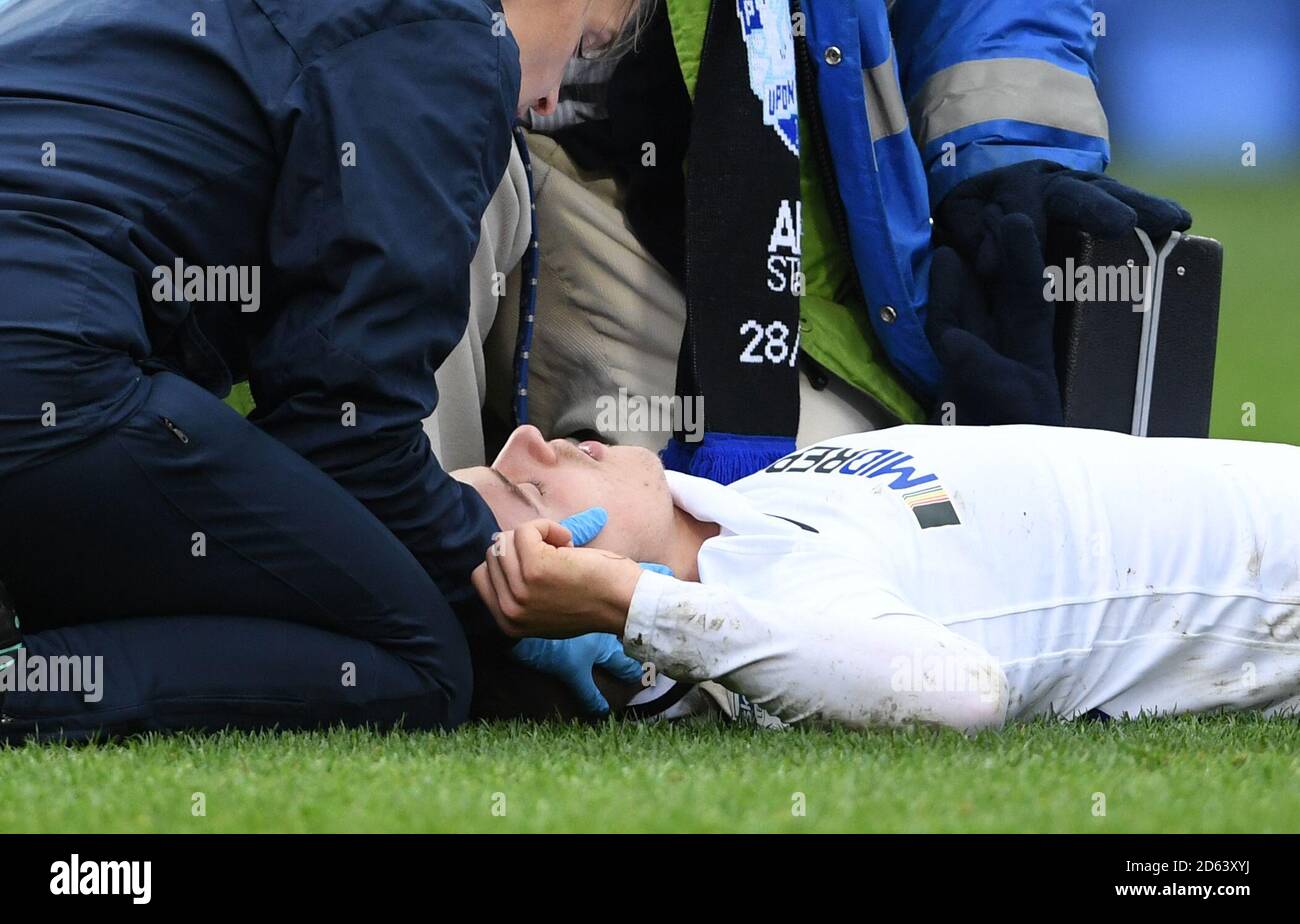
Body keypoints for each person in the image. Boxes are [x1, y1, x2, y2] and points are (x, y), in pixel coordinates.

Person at [0, 0, 648, 741]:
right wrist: (505, 593)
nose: (547, 101)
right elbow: (345, 433)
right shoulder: (445, 37)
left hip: (47, 346)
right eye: (584, 48)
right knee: (420, 666)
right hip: (45, 357)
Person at [483, 0, 1193, 472]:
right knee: (414, 150)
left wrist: (1003, 156)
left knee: (812, 557)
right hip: (469, 170)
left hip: (729, 252)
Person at [460, 423, 1300, 731]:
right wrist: (624, 604)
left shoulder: (744, 501)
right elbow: (961, 694)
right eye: (527, 490)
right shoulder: (770, 593)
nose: (530, 436)